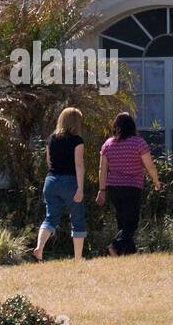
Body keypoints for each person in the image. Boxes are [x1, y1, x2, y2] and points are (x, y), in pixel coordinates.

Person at [97, 112, 161, 257]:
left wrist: (102, 189)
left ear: (116, 126)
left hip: (113, 187)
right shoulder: (139, 143)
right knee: (131, 222)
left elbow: (103, 169)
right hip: (132, 187)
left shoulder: (108, 144)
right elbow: (149, 165)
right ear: (132, 126)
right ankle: (115, 246)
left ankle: (128, 253)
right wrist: (156, 181)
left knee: (122, 221)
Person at [33, 107, 88, 262]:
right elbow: (79, 164)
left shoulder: (51, 139)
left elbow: (49, 161)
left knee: (50, 218)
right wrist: (80, 188)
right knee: (77, 219)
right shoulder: (77, 140)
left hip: (51, 181)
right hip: (69, 181)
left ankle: (39, 248)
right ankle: (77, 258)